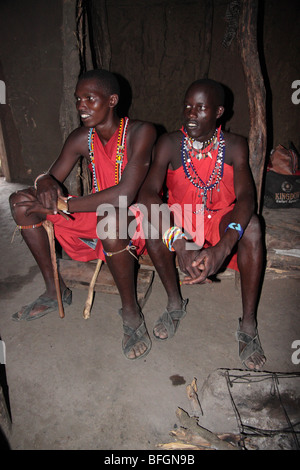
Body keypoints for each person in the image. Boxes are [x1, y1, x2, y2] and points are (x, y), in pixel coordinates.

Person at [9, 69, 156, 361]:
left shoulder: (141, 132)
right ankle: (55, 291)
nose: (81, 106)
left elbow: (125, 194)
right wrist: (45, 181)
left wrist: (64, 205)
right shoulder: (82, 138)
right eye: (78, 99)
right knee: (20, 202)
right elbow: (50, 176)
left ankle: (131, 313)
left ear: (112, 100)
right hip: (97, 214)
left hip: (136, 218)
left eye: (90, 98)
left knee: (112, 225)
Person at [138, 78, 266, 371]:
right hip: (182, 219)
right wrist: (178, 242)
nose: (190, 114)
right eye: (187, 106)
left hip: (223, 220)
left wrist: (223, 248)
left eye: (200, 108)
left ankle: (248, 324)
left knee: (254, 226)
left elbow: (246, 198)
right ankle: (174, 303)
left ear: (219, 112)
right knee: (152, 221)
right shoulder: (169, 143)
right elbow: (146, 192)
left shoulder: (235, 146)